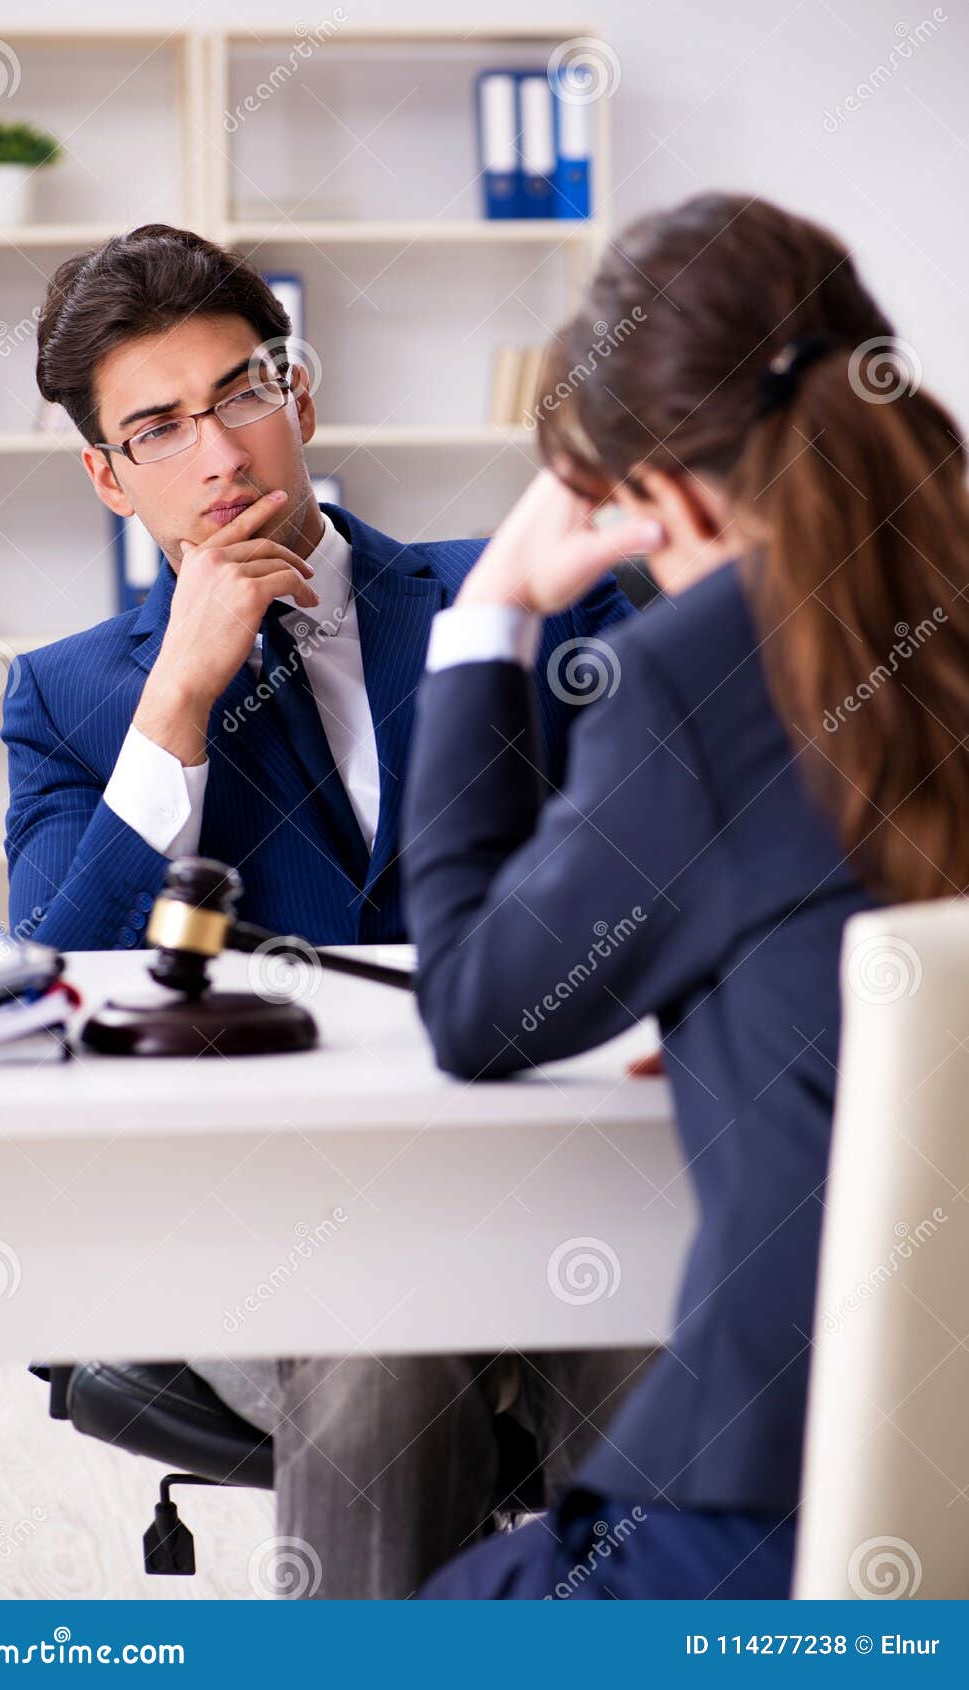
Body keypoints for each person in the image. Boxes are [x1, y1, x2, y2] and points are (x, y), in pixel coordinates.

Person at [2, 222, 658, 1598]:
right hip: (248, 1222)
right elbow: (56, 998)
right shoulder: (67, 700)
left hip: (540, 1183)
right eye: (161, 429)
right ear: (107, 477)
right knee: (377, 1322)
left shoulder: (522, 597)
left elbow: (659, 867)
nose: (222, 456)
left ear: (298, 391)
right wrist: (178, 697)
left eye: (241, 393)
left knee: (646, 1327)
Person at [401, 191, 969, 1599]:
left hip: (780, 1510)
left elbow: (476, 1002)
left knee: (425, 1620)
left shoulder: (704, 674)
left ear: (668, 495)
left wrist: (494, 611)